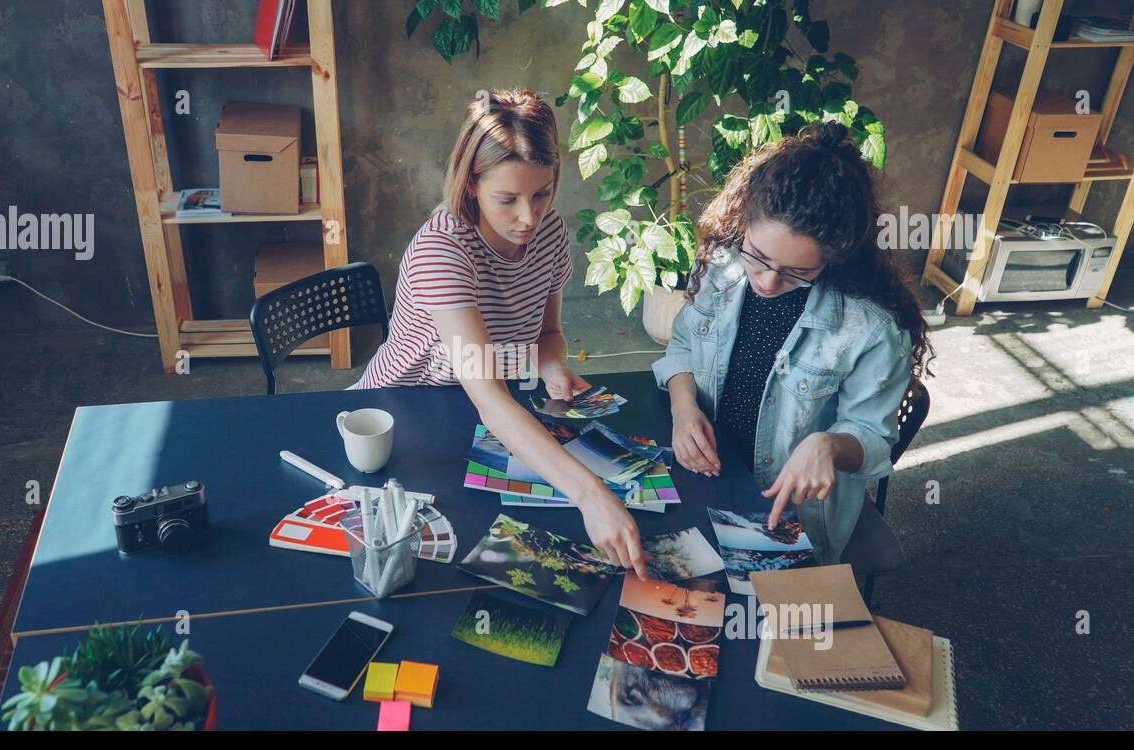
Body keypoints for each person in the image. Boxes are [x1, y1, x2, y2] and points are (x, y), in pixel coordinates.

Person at [354, 89, 648, 578]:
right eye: (506, 199)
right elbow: (489, 399)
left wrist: (552, 362)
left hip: (487, 407)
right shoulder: (442, 252)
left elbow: (548, 333)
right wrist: (591, 493)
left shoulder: (549, 232)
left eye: (542, 193)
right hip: (406, 408)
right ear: (471, 184)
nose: (528, 217)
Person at [652, 122, 933, 564]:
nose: (766, 281)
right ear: (744, 221)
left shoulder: (871, 329)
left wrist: (828, 446)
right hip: (708, 470)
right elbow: (684, 344)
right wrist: (683, 408)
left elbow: (875, 438)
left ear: (837, 254)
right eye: (758, 257)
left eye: (797, 272)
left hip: (788, 512)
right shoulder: (723, 265)